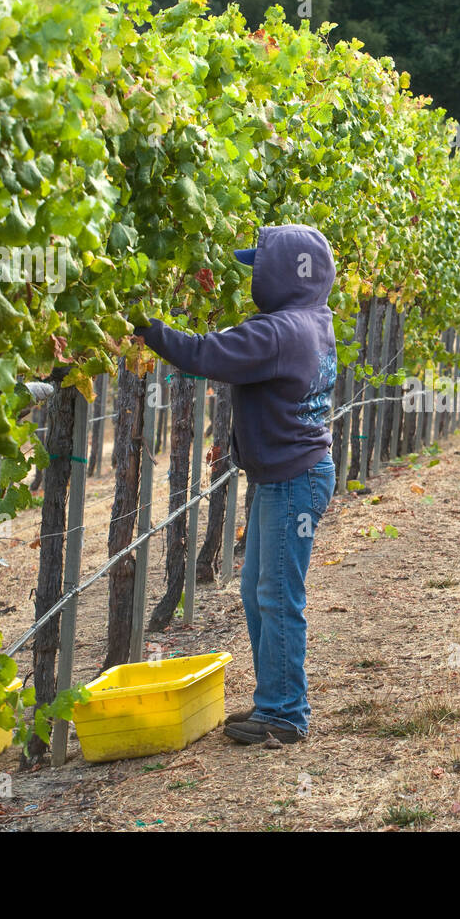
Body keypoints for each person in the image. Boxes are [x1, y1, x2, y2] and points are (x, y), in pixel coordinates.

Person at [130, 223, 337, 745]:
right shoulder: (312, 318)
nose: (251, 278)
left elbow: (204, 356)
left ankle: (286, 714)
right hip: (291, 476)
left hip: (293, 480)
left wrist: (144, 326)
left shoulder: (280, 331)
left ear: (284, 275)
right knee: (258, 591)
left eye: (258, 269)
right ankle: (275, 700)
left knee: (277, 595)